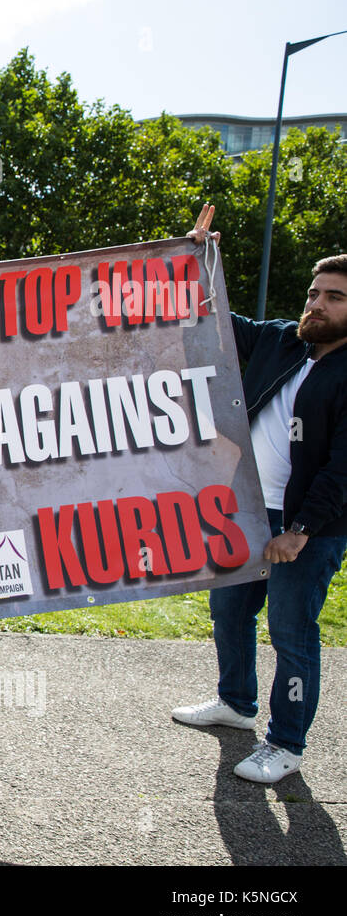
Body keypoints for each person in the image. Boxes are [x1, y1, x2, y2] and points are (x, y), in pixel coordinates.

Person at [172, 203, 347, 783]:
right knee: (229, 611)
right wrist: (201, 259)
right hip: (247, 510)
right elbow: (212, 317)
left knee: (292, 633)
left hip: (307, 526)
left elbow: (344, 470)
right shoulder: (281, 342)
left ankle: (286, 743)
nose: (315, 304)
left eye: (333, 298)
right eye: (314, 293)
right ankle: (236, 704)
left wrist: (300, 532)